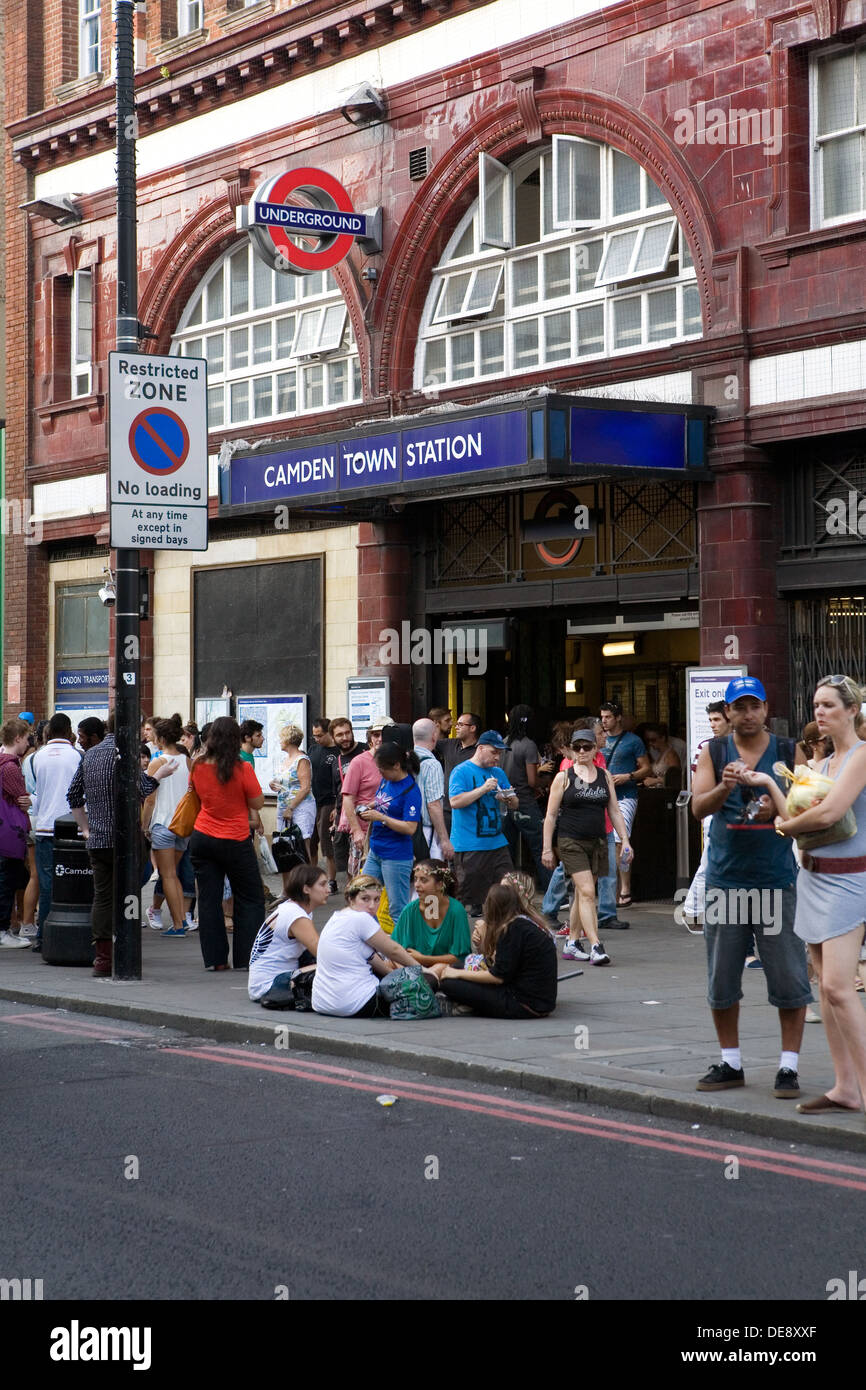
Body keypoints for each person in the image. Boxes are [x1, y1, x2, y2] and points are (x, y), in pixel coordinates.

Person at [742, 674, 866, 1116]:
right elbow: (797, 804)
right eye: (816, 705)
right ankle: (845, 1087)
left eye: (830, 705)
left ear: (852, 710)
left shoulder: (861, 756)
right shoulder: (826, 763)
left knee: (838, 985)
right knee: (825, 990)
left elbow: (830, 812)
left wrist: (784, 828)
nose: (819, 712)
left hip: (850, 880)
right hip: (813, 877)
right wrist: (770, 787)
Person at [690, 676, 811, 1098]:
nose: (747, 714)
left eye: (753, 705)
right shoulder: (715, 751)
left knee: (789, 976)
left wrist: (769, 789)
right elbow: (696, 808)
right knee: (721, 979)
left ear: (764, 707)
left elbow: (805, 807)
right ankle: (731, 1062)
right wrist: (724, 785)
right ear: (727, 712)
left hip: (776, 881)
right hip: (726, 880)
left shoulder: (786, 750)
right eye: (738, 707)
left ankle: (788, 1068)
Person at [67, 713, 159, 976]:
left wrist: (86, 829)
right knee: (129, 891)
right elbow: (142, 788)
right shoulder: (126, 754)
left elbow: (73, 795)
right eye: (140, 726)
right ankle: (127, 949)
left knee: (103, 897)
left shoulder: (90, 755)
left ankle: (103, 959)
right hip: (126, 842)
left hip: (98, 839)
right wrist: (159, 775)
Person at [543, 725, 633, 967]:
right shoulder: (563, 777)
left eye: (587, 746)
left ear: (595, 749)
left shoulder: (604, 776)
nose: (582, 751)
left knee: (583, 893)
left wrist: (624, 839)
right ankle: (595, 945)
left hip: (598, 840)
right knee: (588, 892)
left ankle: (572, 943)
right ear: (571, 750)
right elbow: (550, 815)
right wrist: (547, 848)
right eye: (577, 747)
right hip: (570, 840)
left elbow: (614, 810)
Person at [188, 716, 266, 972]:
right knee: (250, 897)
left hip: (202, 837)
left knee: (209, 899)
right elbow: (256, 803)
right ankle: (245, 958)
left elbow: (195, 795)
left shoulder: (197, 765)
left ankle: (215, 960)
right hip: (234, 839)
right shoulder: (242, 768)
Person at [432, 882, 557, 1018]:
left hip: (523, 1004)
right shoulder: (524, 923)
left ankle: (467, 1006)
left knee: (449, 983)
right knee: (458, 968)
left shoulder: (513, 929)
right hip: (540, 1001)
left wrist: (457, 974)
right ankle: (467, 1003)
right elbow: (501, 965)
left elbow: (498, 977)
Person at [311, 874, 419, 1018]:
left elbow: (372, 959)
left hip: (322, 1003)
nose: (372, 906)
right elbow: (393, 950)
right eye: (365, 899)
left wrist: (395, 976)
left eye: (376, 899)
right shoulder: (360, 918)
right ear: (350, 899)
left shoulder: (337, 917)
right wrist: (421, 971)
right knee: (428, 982)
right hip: (357, 1003)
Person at [28, 712, 83, 951]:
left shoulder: (36, 758)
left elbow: (35, 797)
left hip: (45, 826)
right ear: (69, 731)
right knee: (74, 882)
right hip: (72, 827)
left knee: (47, 883)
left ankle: (44, 935)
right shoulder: (78, 756)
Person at [448, 730, 517, 913]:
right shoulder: (461, 771)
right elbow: (455, 802)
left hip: (497, 842)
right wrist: (483, 789)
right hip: (470, 844)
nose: (497, 757)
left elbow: (515, 803)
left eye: (500, 753)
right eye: (494, 752)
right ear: (480, 748)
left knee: (509, 891)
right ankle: (457, 936)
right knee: (464, 897)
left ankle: (499, 933)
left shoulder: (498, 772)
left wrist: (507, 797)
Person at [359, 744, 423, 924]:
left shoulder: (410, 791)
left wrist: (381, 817)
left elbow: (410, 828)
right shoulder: (386, 781)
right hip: (376, 850)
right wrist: (370, 806)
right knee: (362, 897)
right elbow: (383, 801)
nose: (379, 773)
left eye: (382, 769)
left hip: (396, 855)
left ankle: (403, 950)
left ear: (396, 765)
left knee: (397, 910)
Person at [247, 862, 326, 1003]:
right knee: (338, 968)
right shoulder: (295, 915)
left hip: (265, 983)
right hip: (271, 986)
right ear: (306, 889)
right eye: (322, 884)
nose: (328, 889)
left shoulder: (294, 908)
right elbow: (322, 953)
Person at [683, 702, 732, 928]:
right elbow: (698, 788)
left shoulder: (741, 745)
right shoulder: (708, 748)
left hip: (739, 815)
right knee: (709, 862)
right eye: (710, 720)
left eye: (717, 720)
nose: (712, 725)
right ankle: (693, 910)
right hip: (715, 813)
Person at [143, 714, 192, 937]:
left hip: (163, 823)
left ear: (161, 739)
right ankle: (180, 919)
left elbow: (150, 798)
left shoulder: (158, 762)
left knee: (168, 875)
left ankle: (179, 924)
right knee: (173, 875)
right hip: (184, 824)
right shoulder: (187, 761)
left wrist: (145, 825)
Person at [599, 701, 650, 910]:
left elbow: (647, 768)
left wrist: (628, 776)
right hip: (601, 796)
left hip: (625, 795)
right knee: (603, 841)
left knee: (621, 840)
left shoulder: (633, 741)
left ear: (618, 717)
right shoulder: (597, 740)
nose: (604, 721)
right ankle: (611, 887)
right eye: (602, 717)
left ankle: (625, 889)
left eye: (608, 717)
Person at [338, 716, 395, 879]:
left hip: (393, 831)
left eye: (384, 734)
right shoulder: (359, 762)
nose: (380, 739)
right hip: (365, 832)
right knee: (361, 884)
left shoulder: (399, 761)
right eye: (375, 734)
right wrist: (356, 831)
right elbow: (348, 798)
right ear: (370, 738)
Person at [503, 704, 551, 890]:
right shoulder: (528, 745)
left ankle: (509, 890)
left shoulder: (504, 743)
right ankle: (552, 891)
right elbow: (532, 780)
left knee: (507, 851)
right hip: (525, 802)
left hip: (505, 802)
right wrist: (546, 782)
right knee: (540, 846)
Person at [392, 859, 471, 967]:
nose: (416, 885)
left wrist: (423, 959)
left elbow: (460, 957)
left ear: (440, 885)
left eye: (423, 880)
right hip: (412, 970)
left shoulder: (456, 911)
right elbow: (394, 950)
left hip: (447, 972)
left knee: (441, 968)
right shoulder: (409, 910)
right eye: (415, 879)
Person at [0, 719, 33, 950]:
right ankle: (3, 931)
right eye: (27, 737)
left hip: (5, 830)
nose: (29, 742)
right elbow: (23, 797)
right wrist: (28, 798)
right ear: (18, 738)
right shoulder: (10, 767)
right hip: (10, 833)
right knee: (7, 883)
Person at [269, 723, 316, 861]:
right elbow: (286, 781)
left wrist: (291, 808)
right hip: (283, 808)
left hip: (300, 808)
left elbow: (305, 787)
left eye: (281, 738)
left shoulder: (301, 760)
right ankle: (289, 881)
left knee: (301, 845)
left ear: (288, 740)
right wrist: (273, 784)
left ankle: (306, 880)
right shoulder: (285, 760)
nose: (279, 741)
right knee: (284, 845)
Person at [329, 717, 367, 878]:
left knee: (363, 866)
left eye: (347, 733)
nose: (345, 738)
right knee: (348, 867)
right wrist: (335, 815)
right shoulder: (336, 761)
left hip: (363, 818)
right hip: (343, 819)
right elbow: (338, 790)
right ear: (333, 737)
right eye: (339, 735)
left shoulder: (366, 751)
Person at [412, 718, 453, 860]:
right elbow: (433, 804)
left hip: (407, 827)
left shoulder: (404, 760)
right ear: (434, 736)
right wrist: (444, 839)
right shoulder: (432, 765)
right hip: (426, 831)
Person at [308, 718, 339, 893]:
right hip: (313, 801)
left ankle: (332, 879)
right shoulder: (313, 749)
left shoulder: (336, 752)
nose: (317, 739)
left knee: (326, 842)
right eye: (315, 736)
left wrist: (337, 806)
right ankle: (314, 877)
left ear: (329, 733)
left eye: (320, 735)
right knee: (311, 841)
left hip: (330, 800)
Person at [438, 711, 481, 829]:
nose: (456, 727)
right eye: (456, 724)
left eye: (461, 725)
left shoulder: (480, 751)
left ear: (472, 728)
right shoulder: (449, 744)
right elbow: (426, 742)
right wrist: (438, 726)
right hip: (447, 810)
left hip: (469, 810)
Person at [642, 724, 682, 788]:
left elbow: (675, 778)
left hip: (667, 794)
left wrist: (655, 781)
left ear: (663, 738)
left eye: (653, 740)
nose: (650, 743)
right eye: (648, 740)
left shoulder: (671, 755)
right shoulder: (661, 754)